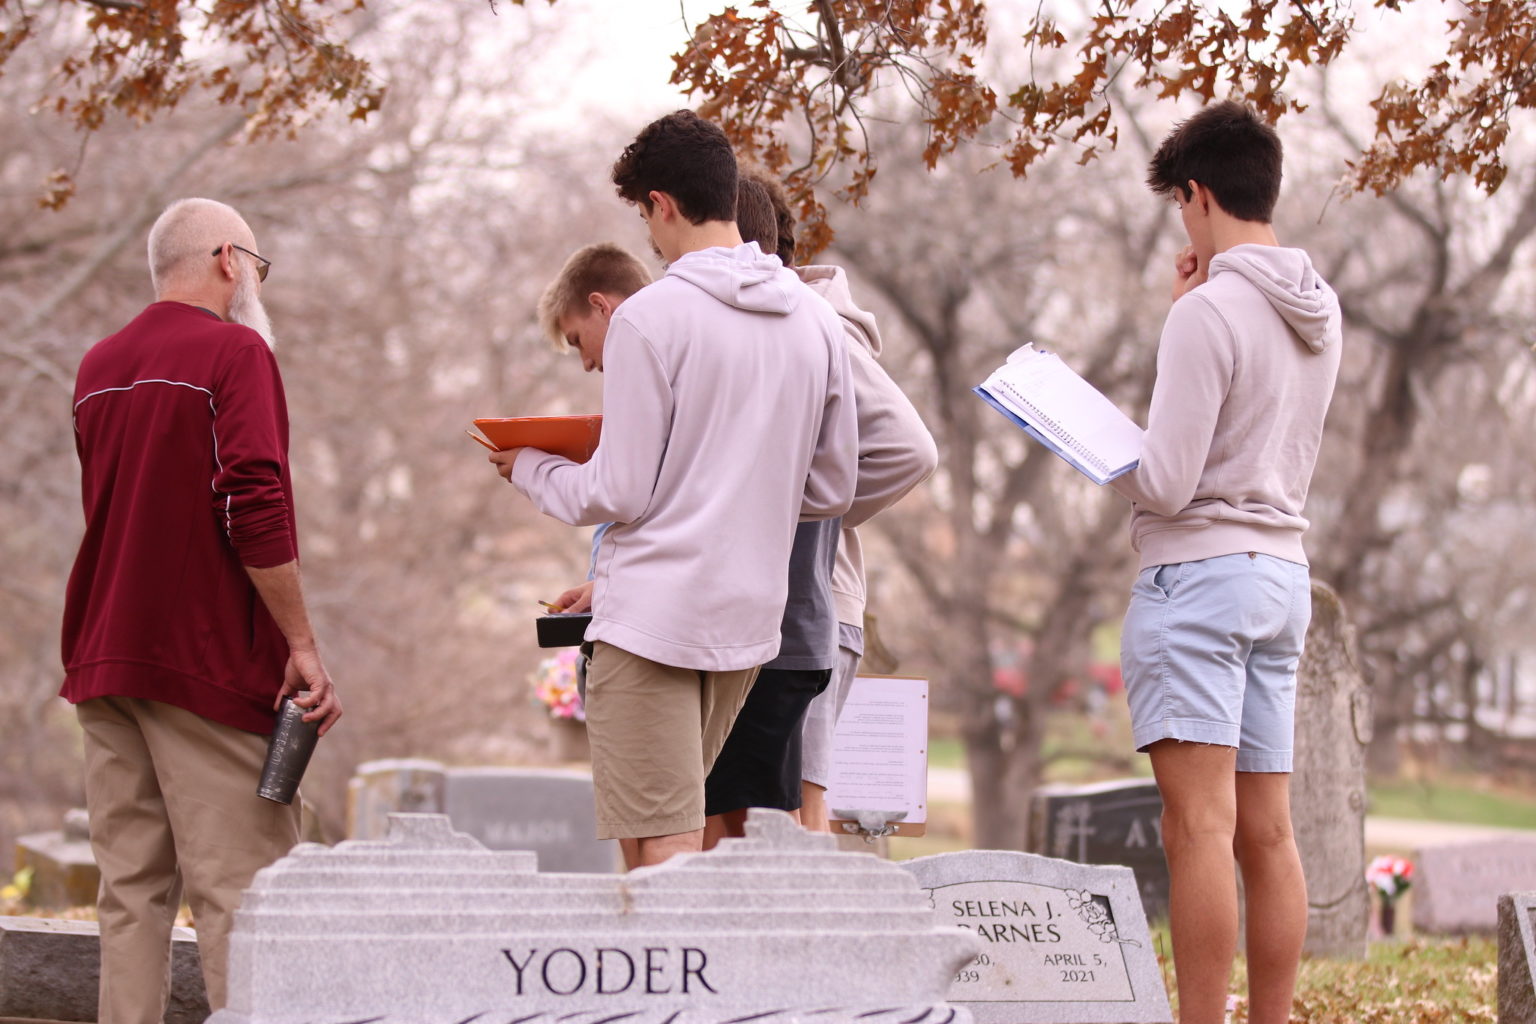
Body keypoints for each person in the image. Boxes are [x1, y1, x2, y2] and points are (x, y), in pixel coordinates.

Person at [492, 110, 857, 868]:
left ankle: (679, 993)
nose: (649, 240)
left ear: (659, 203)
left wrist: (529, 466)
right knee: (678, 834)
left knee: (665, 850)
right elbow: (833, 482)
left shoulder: (651, 317)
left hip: (653, 619)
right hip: (747, 626)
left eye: (643, 216)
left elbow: (618, 490)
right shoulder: (816, 324)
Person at [62, 197, 342, 1024]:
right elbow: (251, 499)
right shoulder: (235, 353)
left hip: (104, 656)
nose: (257, 283)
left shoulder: (95, 366)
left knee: (130, 898)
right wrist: (301, 641)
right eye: (257, 266)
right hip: (206, 660)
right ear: (228, 260)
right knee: (243, 896)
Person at [1108, 102, 1342, 1024]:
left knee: (1197, 829)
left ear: (1197, 196)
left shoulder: (1209, 314)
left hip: (1199, 579)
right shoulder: (1320, 314)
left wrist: (1096, 448)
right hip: (1282, 580)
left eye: (1180, 205)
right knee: (1269, 831)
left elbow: (1165, 483)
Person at [735, 165, 939, 831]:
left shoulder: (812, 321)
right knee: (762, 808)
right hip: (778, 602)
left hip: (815, 602)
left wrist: (803, 513)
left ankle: (817, 936)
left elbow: (907, 449)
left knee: (799, 810)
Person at [699, 175, 843, 844]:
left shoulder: (803, 328)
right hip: (762, 623)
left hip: (779, 629)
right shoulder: (774, 329)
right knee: (735, 825)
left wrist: (780, 507)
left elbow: (900, 452)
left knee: (757, 834)